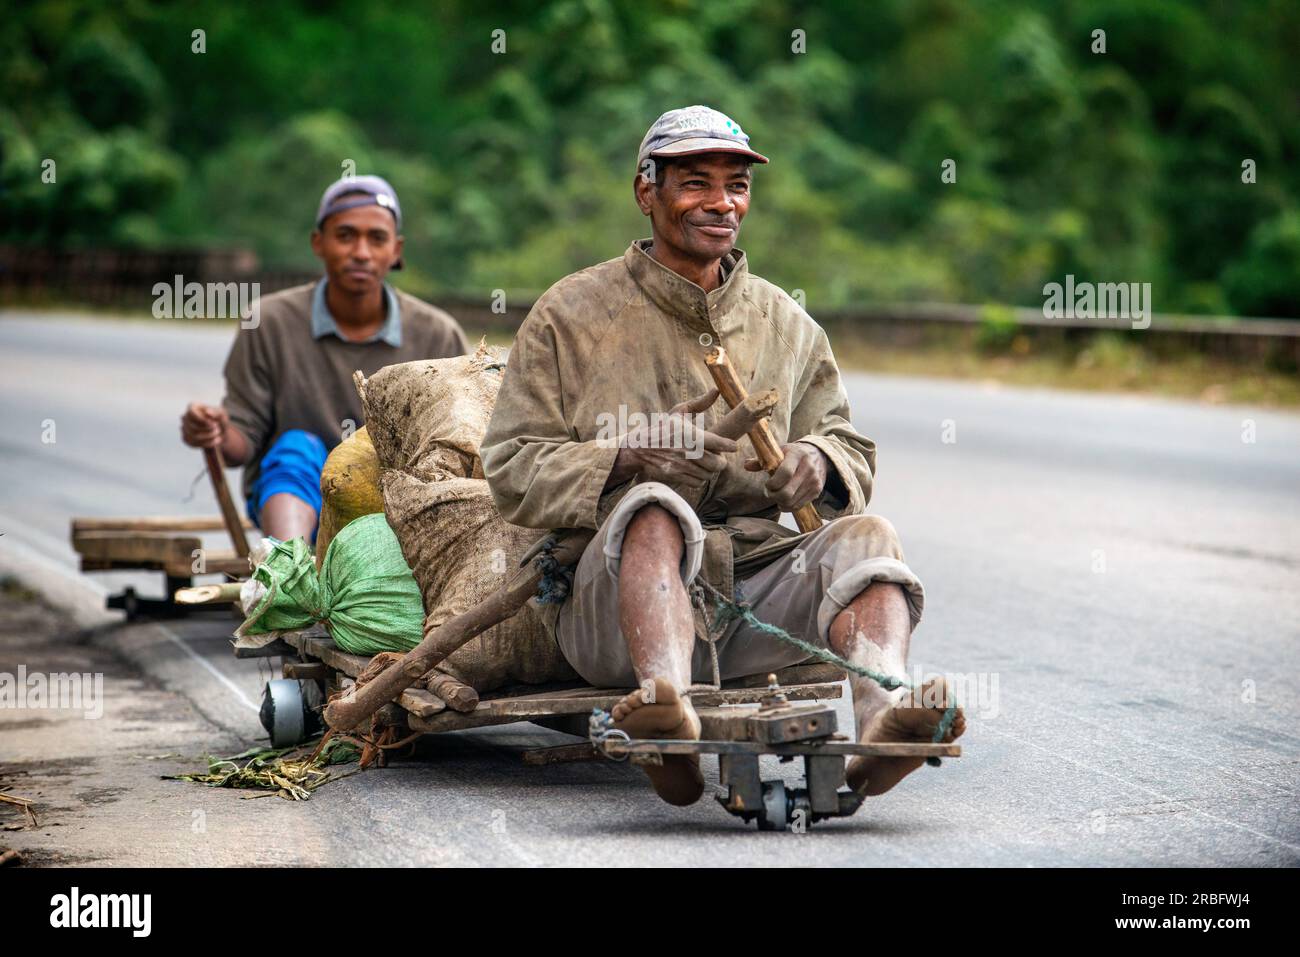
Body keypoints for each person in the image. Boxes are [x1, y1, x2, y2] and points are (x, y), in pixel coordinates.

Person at [480, 106, 965, 807]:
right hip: (610, 603)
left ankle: (884, 711)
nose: (721, 202)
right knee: (654, 511)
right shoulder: (568, 315)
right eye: (695, 183)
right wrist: (624, 460)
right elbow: (510, 467)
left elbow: (848, 441)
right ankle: (664, 708)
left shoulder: (787, 324)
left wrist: (818, 461)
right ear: (646, 192)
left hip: (749, 592)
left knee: (870, 537)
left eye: (736, 185)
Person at [180, 176, 469, 541]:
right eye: (346, 235)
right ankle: (291, 573)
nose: (361, 252)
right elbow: (242, 440)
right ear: (319, 243)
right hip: (300, 498)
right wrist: (215, 433)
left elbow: (461, 444)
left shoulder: (437, 334)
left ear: (396, 250)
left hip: (397, 509)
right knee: (296, 446)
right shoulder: (269, 323)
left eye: (376, 238)